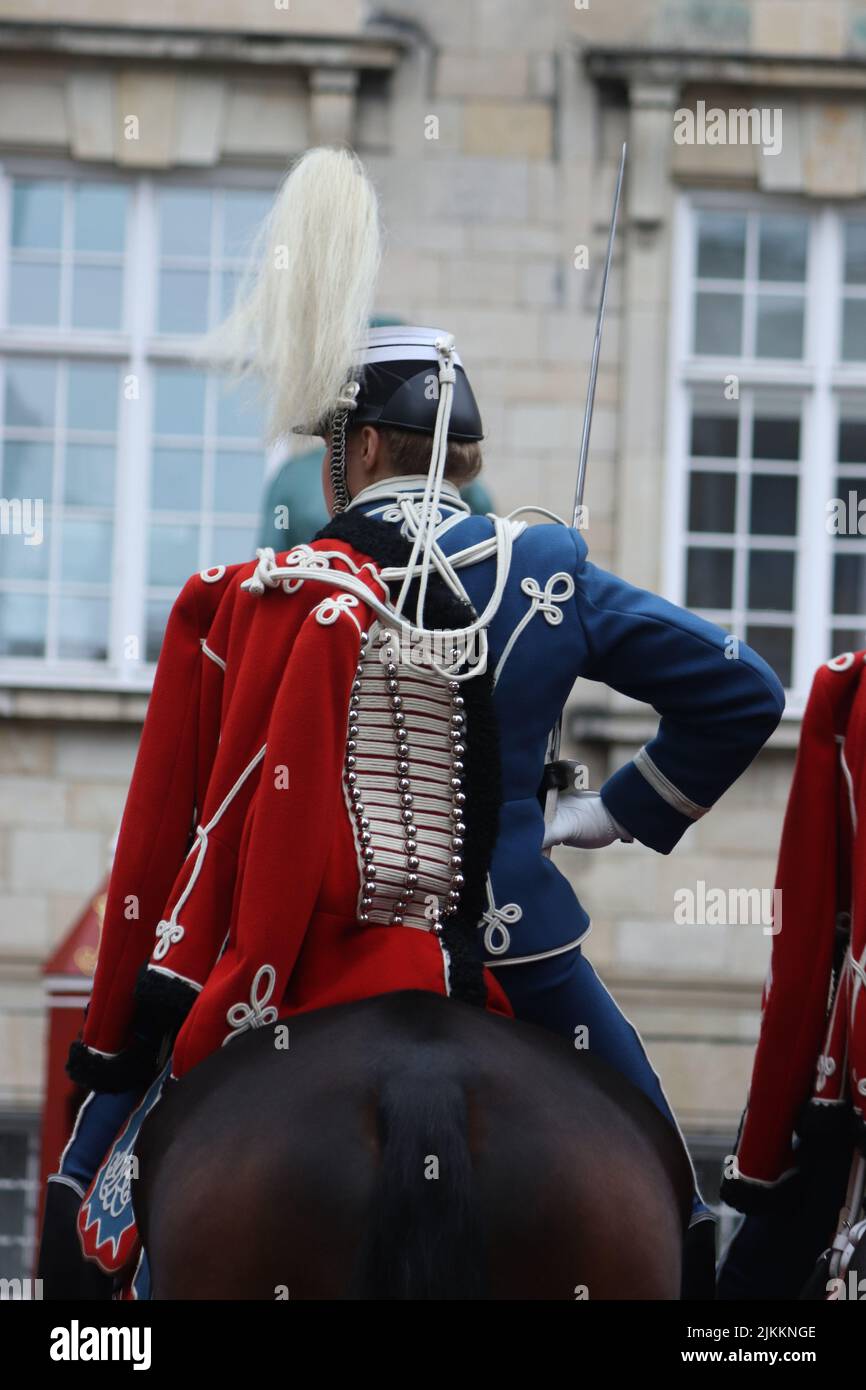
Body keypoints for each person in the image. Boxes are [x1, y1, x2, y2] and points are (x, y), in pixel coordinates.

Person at [40, 148, 784, 1297]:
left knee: (107, 1179)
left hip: (301, 963)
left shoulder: (279, 586)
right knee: (669, 1199)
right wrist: (603, 815)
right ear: (463, 455)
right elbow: (741, 689)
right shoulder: (545, 566)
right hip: (520, 952)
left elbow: (209, 809)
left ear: (363, 451)